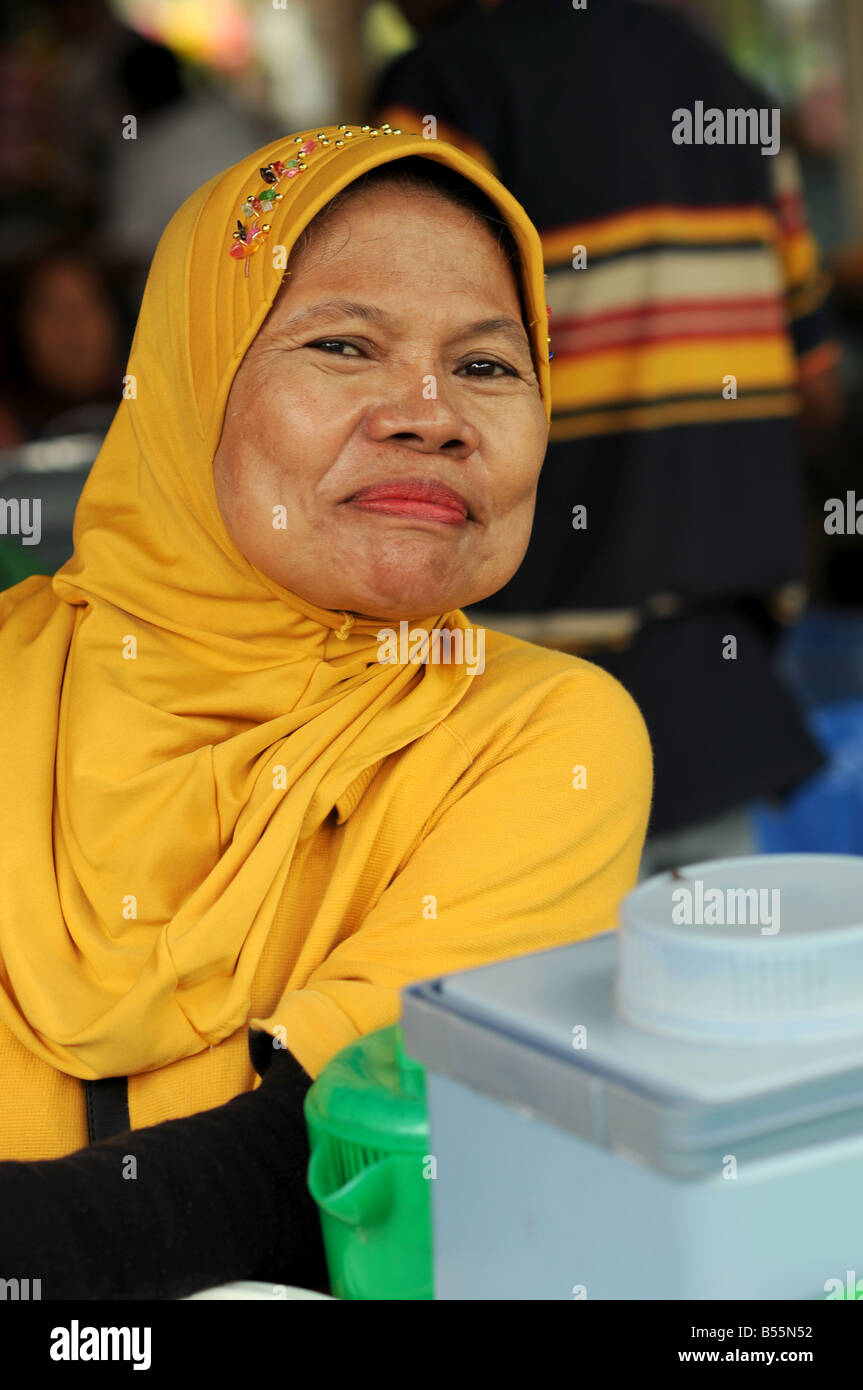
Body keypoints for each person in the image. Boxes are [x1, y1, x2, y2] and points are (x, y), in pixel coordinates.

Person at [0, 124, 652, 1298]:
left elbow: (323, 1168)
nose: (429, 412)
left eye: (489, 367)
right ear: (193, 378)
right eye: (345, 344)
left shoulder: (541, 738)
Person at [373, 0, 840, 872]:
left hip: (518, 681)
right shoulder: (720, 84)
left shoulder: (447, 88)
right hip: (713, 675)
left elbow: (385, 375)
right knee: (706, 983)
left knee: (521, 994)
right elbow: (815, 384)